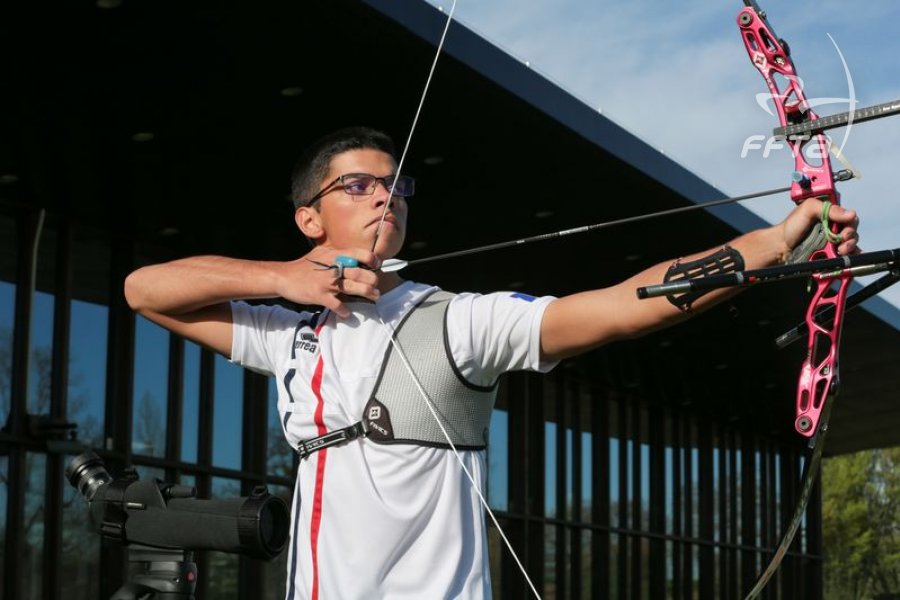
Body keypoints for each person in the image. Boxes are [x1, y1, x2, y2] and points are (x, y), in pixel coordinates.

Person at [124, 126, 860, 599]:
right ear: (308, 218)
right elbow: (143, 291)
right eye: (359, 185)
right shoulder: (287, 333)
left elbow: (620, 306)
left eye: (396, 185)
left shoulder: (460, 321)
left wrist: (778, 242)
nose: (386, 196)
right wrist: (282, 279)